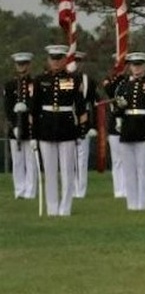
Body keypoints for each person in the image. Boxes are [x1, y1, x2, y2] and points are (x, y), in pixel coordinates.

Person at [31, 45, 84, 216]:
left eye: (59, 58)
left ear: (64, 60)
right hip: (46, 127)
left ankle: (65, 208)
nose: (56, 62)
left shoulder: (74, 79)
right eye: (53, 58)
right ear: (48, 60)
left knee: (67, 171)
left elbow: (81, 108)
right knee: (50, 171)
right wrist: (32, 133)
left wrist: (81, 130)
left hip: (66, 127)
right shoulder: (40, 80)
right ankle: (52, 208)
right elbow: (34, 109)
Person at [112, 52, 145, 211]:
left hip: (144, 129)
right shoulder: (124, 86)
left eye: (140, 65)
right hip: (128, 129)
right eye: (134, 65)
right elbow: (117, 111)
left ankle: (143, 204)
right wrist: (119, 107)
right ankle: (132, 204)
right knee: (129, 170)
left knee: (143, 169)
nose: (137, 68)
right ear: (130, 67)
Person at [3, 52, 37, 199]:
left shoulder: (35, 83)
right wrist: (14, 125)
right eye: (19, 64)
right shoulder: (10, 85)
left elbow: (36, 104)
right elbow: (7, 106)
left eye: (24, 64)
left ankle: (30, 191)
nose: (22, 67)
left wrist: (27, 107)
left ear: (28, 65)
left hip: (30, 127)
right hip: (15, 128)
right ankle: (19, 190)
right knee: (17, 161)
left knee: (30, 161)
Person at [68, 51, 98, 198]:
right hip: (68, 120)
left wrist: (93, 126)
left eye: (79, 61)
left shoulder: (89, 81)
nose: (77, 64)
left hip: (84, 121)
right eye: (74, 61)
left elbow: (93, 104)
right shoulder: (65, 79)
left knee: (82, 158)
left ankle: (81, 190)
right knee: (70, 158)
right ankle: (72, 188)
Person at [100, 55, 128, 198]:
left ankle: (128, 187)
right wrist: (118, 77)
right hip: (114, 123)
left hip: (128, 121)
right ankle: (119, 189)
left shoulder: (130, 81)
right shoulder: (110, 81)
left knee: (127, 158)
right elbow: (111, 92)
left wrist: (123, 77)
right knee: (117, 159)